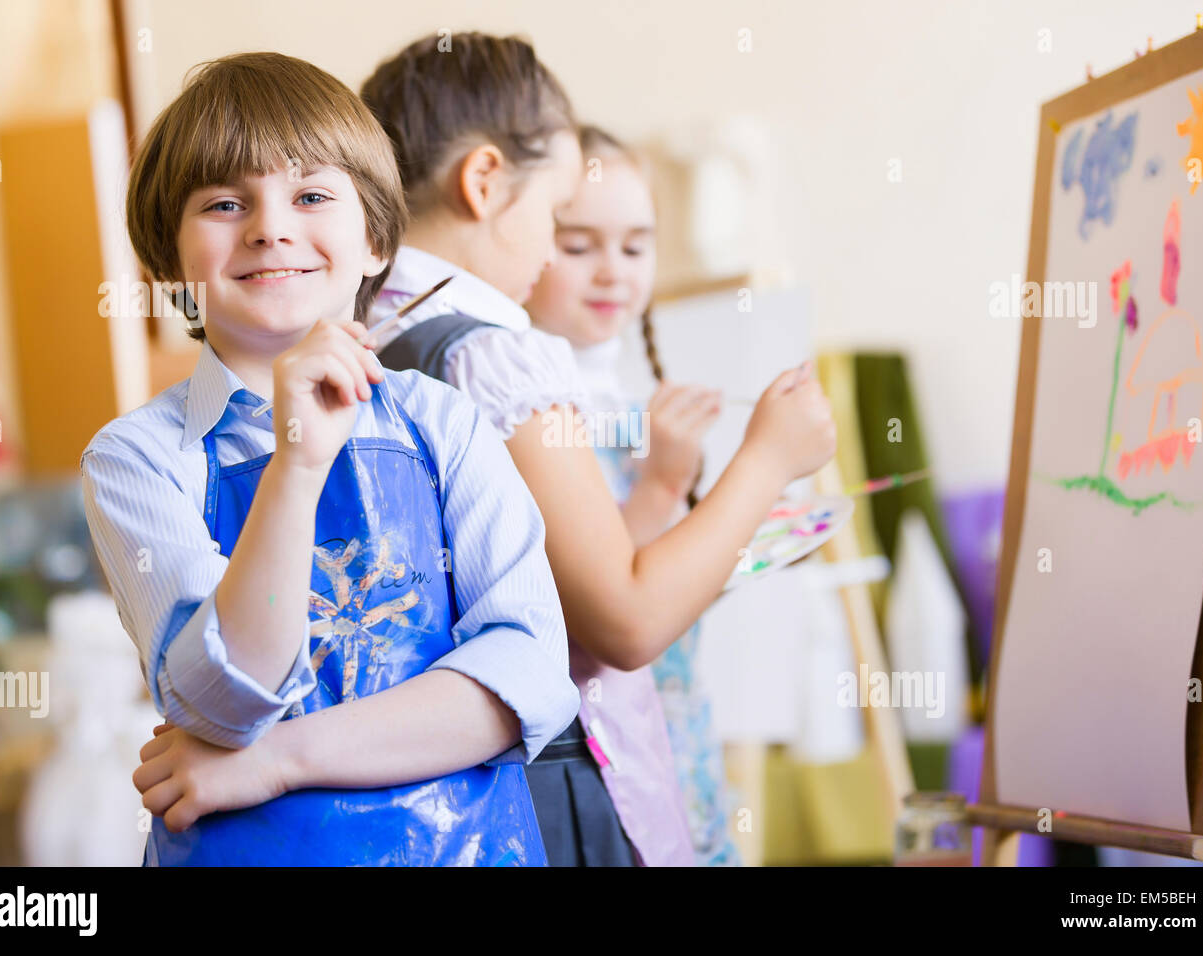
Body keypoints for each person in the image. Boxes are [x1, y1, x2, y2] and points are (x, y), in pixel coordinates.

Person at [81, 51, 577, 866]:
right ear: (168, 261)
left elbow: (526, 677)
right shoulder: (136, 458)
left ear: (377, 238)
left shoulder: (443, 422)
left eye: (311, 195)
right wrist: (298, 467)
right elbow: (219, 702)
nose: (271, 227)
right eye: (224, 201)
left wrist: (278, 761)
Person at [358, 33, 838, 866]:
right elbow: (625, 620)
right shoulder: (495, 356)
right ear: (484, 183)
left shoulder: (362, 334)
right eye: (556, 222)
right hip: (543, 795)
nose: (551, 252)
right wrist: (766, 458)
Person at [525, 124, 743, 866]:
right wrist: (664, 485)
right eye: (580, 246)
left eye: (636, 245)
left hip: (678, 737)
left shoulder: (631, 404)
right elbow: (596, 611)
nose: (613, 272)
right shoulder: (526, 414)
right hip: (598, 763)